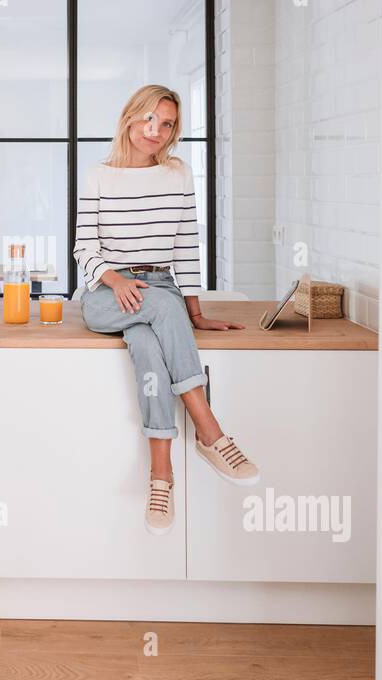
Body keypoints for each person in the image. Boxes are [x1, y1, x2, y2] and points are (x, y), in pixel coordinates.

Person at [75, 84, 260, 535]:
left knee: (147, 347)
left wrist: (195, 313)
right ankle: (210, 432)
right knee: (157, 307)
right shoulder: (98, 175)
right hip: (106, 291)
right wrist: (116, 279)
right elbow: (84, 247)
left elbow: (184, 249)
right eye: (149, 119)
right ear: (130, 118)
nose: (156, 131)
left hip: (159, 288)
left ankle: (161, 475)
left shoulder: (177, 174)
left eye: (168, 123)